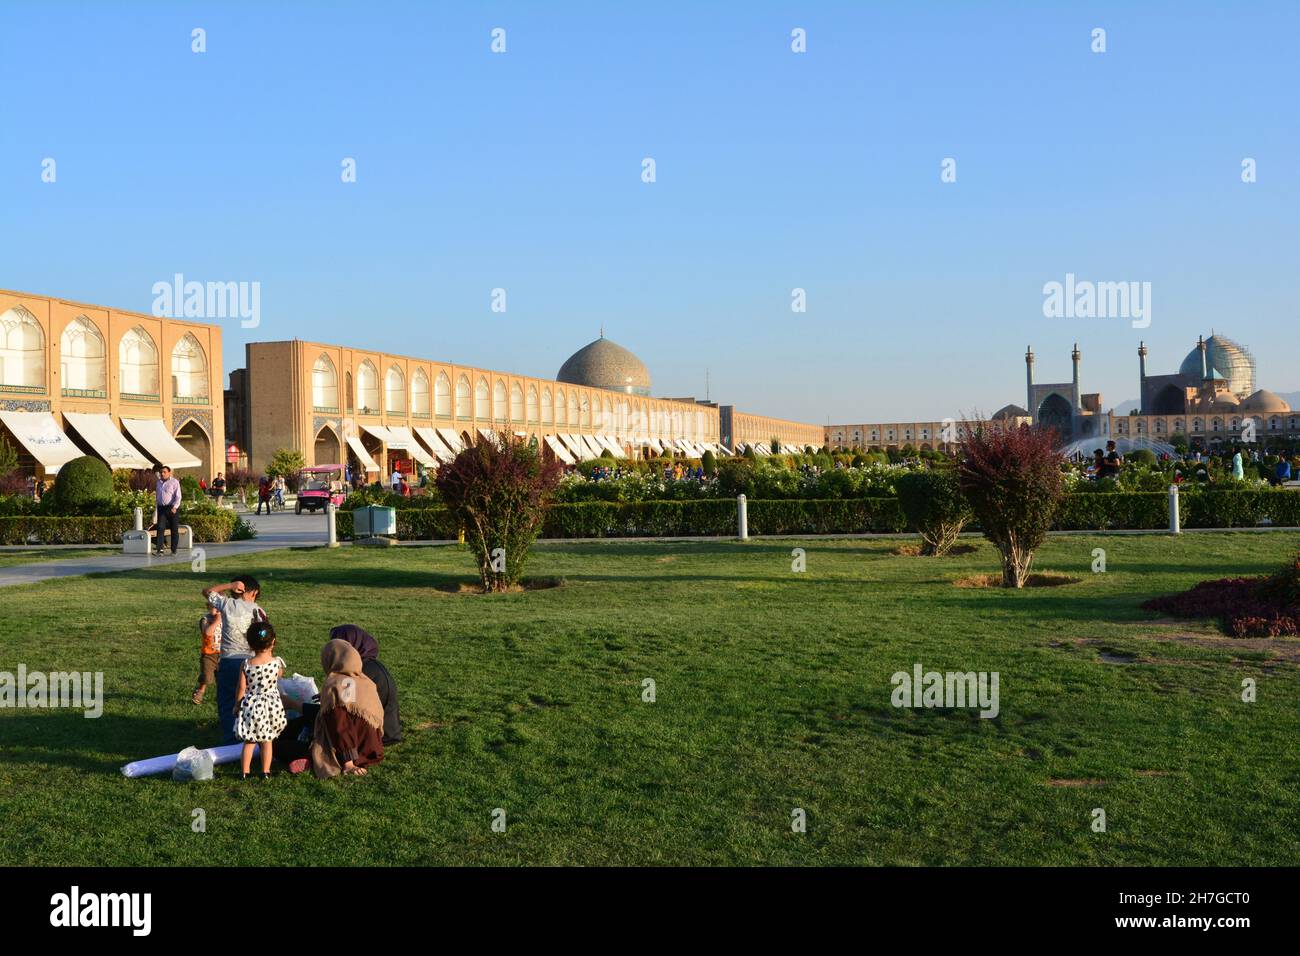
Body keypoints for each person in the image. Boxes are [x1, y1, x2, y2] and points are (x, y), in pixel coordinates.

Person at [202, 576, 266, 744]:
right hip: (253, 662)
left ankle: (231, 739)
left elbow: (207, 592)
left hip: (230, 660)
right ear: (254, 592)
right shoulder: (259, 612)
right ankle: (252, 735)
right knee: (251, 700)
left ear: (237, 589)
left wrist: (230, 585)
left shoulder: (227, 604)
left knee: (228, 700)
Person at [310, 639, 385, 778]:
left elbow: (340, 725)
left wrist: (348, 763)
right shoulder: (365, 681)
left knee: (292, 745)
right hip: (372, 749)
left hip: (353, 753)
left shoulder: (335, 685)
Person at [329, 624, 402, 744]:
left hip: (378, 734)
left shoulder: (359, 671)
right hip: (390, 729)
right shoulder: (370, 665)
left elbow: (342, 710)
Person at [234, 620, 286, 780]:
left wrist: (237, 705)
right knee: (267, 740)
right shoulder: (277, 663)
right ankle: (265, 771)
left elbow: (241, 688)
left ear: (250, 644)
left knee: (249, 741)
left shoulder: (246, 664)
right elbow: (279, 677)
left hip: (251, 705)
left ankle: (245, 771)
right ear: (273, 642)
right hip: (271, 705)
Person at [193, 606, 222, 705]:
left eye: (221, 607)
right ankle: (201, 690)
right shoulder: (205, 620)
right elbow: (207, 632)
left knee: (221, 678)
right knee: (207, 676)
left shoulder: (226, 619)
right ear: (208, 606)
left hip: (223, 654)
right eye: (215, 607)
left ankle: (220, 696)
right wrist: (217, 620)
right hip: (209, 654)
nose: (218, 610)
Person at [154, 465, 182, 555]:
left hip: (172, 508)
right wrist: (156, 507)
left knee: (174, 529)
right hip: (161, 508)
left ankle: (174, 550)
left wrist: (175, 507)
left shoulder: (174, 482)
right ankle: (160, 550)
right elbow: (158, 495)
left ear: (169, 473)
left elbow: (178, 496)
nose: (162, 474)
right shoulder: (158, 482)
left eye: (164, 472)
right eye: (161, 472)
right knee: (160, 528)